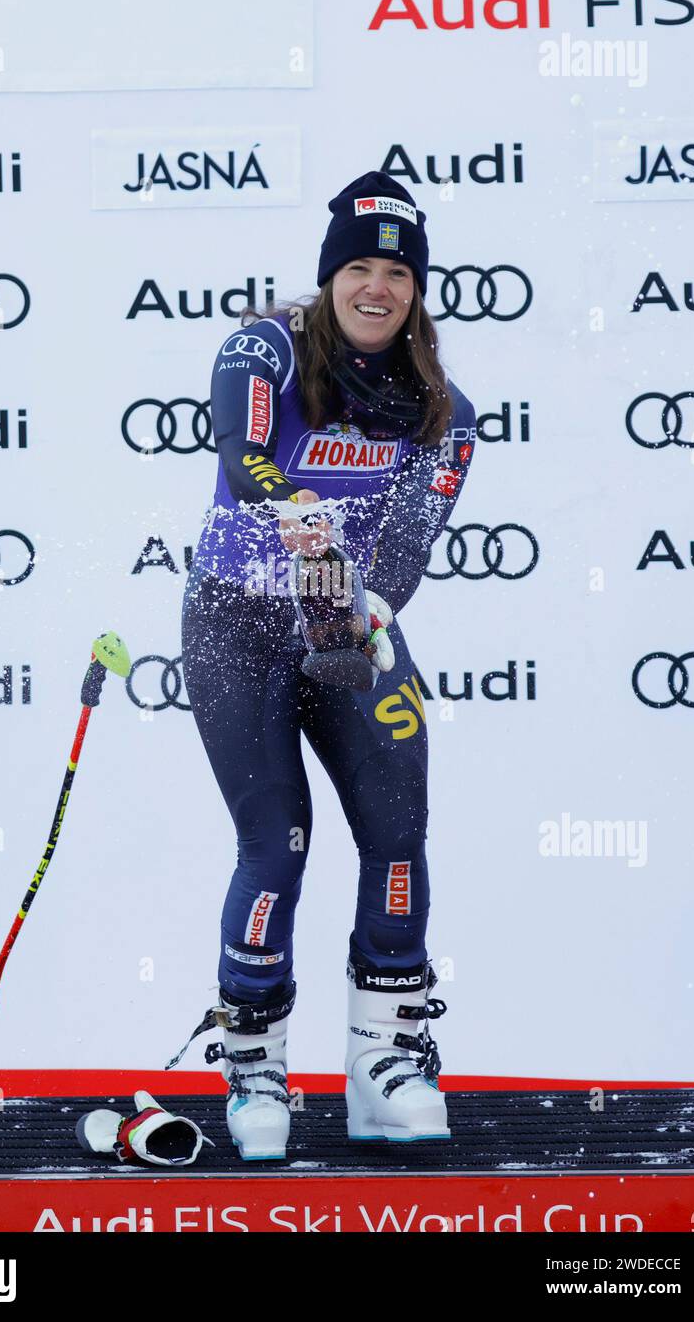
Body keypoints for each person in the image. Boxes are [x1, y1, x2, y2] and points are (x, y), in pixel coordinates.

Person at [177, 171, 477, 1160]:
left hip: (347, 627)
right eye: (358, 266)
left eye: (396, 270)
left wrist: (361, 611)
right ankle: (255, 1059)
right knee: (279, 844)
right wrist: (291, 514)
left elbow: (401, 553)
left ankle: (386, 1060)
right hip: (236, 622)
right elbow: (239, 450)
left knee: (399, 826)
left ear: (414, 289)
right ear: (329, 276)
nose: (376, 287)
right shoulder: (261, 346)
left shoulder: (444, 410)